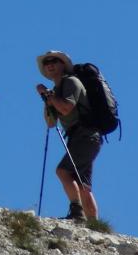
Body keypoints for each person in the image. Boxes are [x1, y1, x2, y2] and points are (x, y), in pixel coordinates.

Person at [36, 50, 101, 221]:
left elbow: (66, 108)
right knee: (82, 183)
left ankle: (77, 212)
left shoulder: (71, 82)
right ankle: (94, 225)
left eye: (54, 61)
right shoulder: (56, 90)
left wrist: (50, 97)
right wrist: (47, 99)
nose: (50, 64)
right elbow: (51, 123)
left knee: (63, 171)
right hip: (83, 137)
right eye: (46, 62)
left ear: (63, 65)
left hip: (85, 135)